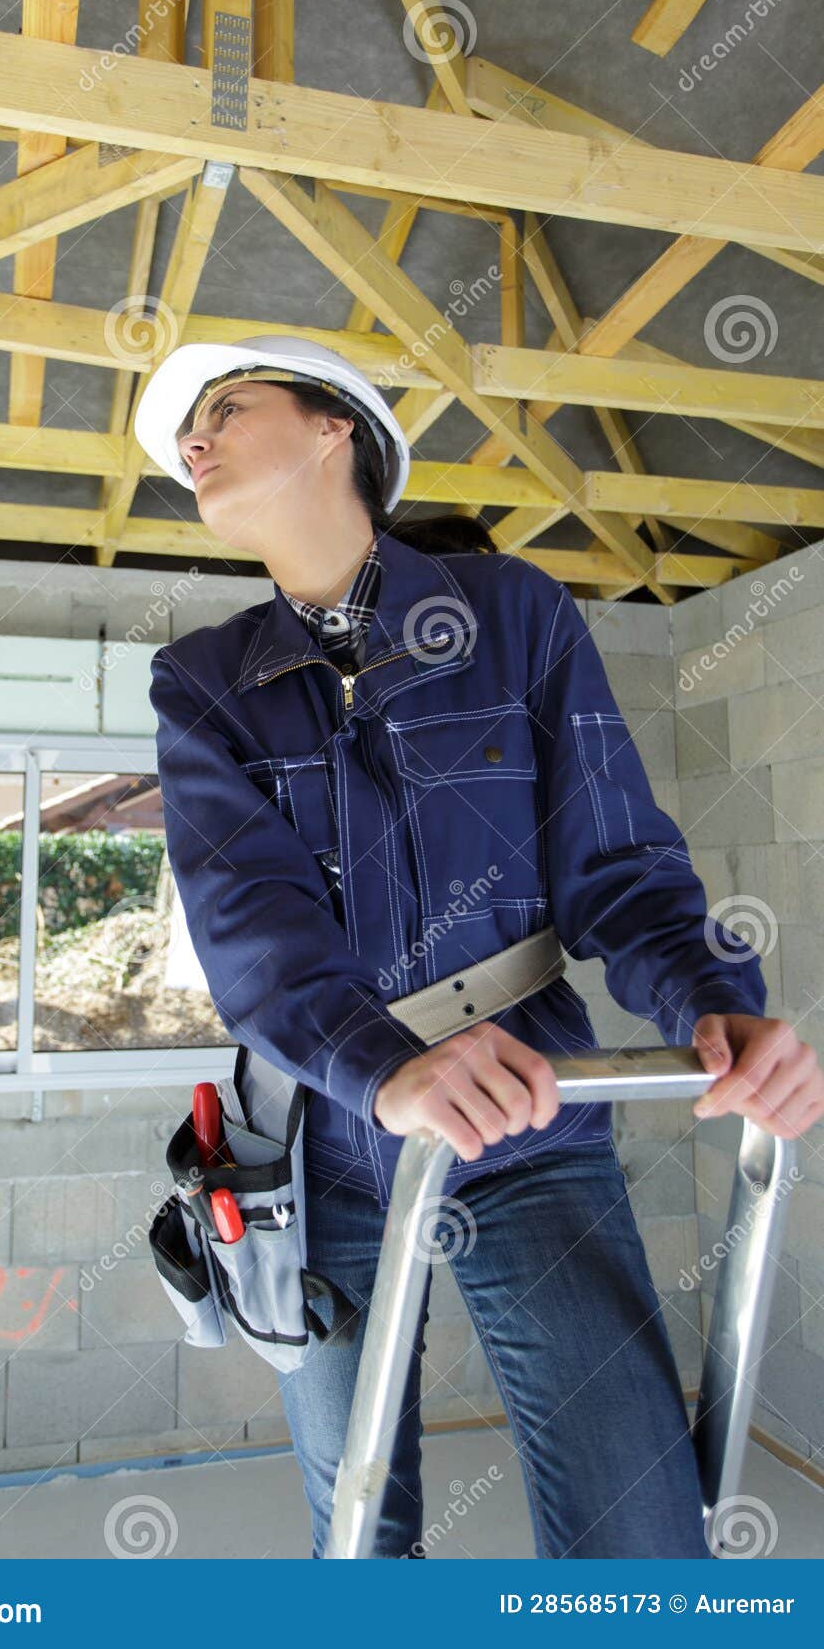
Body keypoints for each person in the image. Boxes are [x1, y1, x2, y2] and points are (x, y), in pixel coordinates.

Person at [135, 334, 823, 1559]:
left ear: (336, 423)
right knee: (360, 1540)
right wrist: (380, 1064)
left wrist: (713, 1001)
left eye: (224, 408)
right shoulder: (203, 684)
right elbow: (250, 921)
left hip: (532, 1119)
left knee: (641, 1535)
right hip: (316, 1148)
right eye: (186, 433)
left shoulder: (513, 614)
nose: (192, 441)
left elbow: (617, 865)